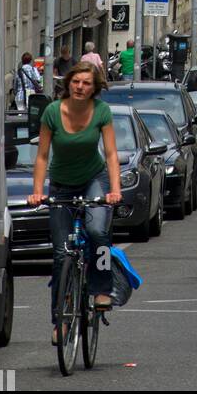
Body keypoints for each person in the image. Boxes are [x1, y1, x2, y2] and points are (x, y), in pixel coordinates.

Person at [27, 63, 121, 342]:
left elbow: (112, 154)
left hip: (94, 178)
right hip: (61, 183)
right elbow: (43, 156)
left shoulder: (101, 112)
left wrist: (114, 190)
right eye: (76, 82)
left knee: (97, 232)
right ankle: (60, 321)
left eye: (87, 83)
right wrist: (36, 191)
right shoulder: (53, 112)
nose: (80, 87)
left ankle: (103, 290)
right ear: (68, 84)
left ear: (95, 88)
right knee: (60, 254)